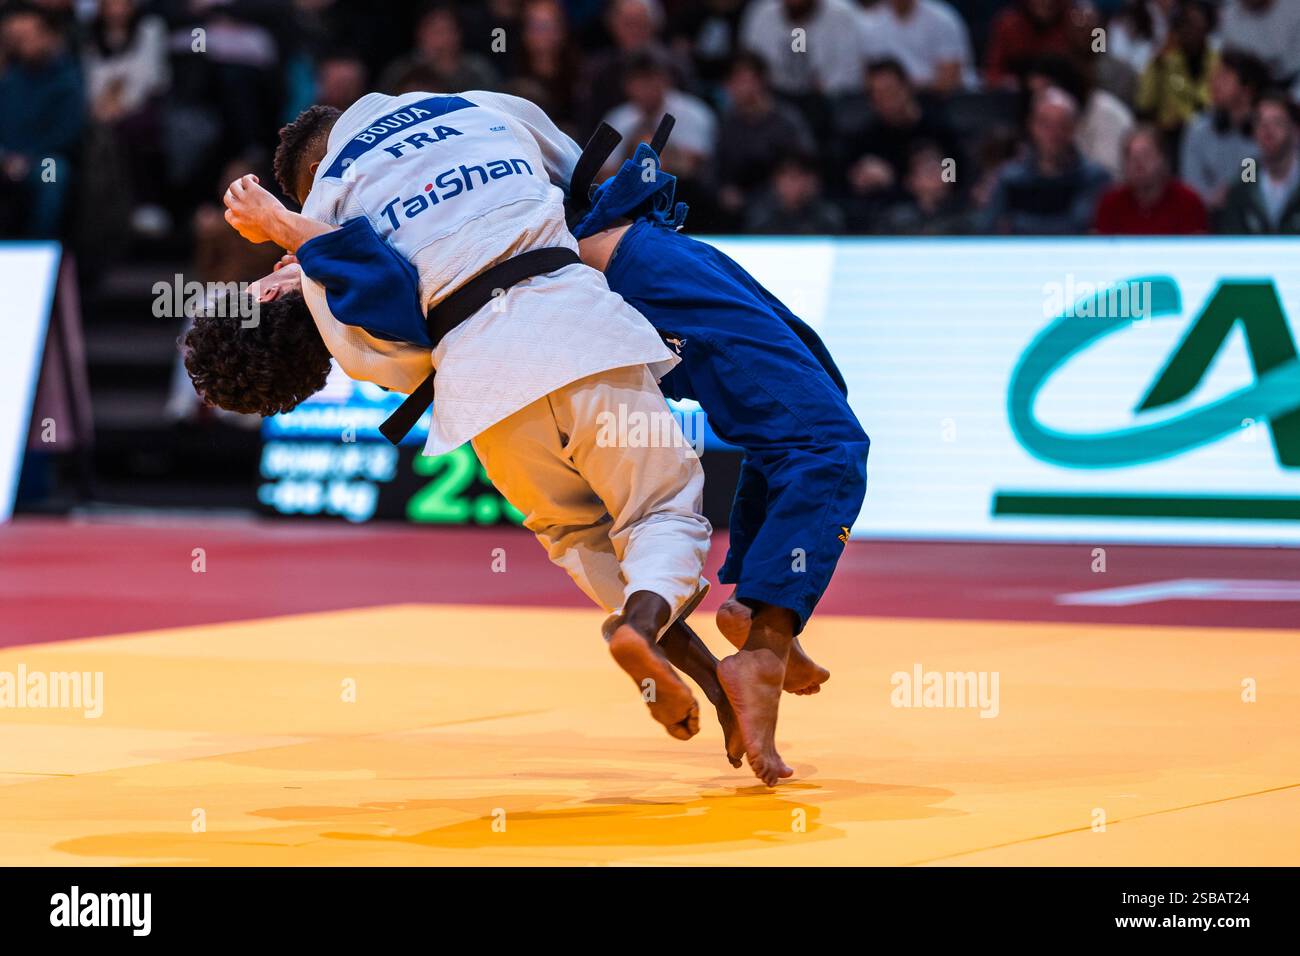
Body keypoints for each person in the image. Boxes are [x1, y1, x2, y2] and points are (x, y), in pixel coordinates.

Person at [205, 92, 726, 768]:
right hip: (574, 324)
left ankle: (698, 670)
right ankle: (644, 627)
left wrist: (304, 246)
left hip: (484, 388)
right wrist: (289, 234)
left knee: (575, 534)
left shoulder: (326, 219)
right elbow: (581, 186)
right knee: (660, 510)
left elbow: (396, 349)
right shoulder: (471, 104)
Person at [978, 85, 1111, 234]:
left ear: (1074, 128)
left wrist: (1016, 223)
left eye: (1062, 125)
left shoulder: (1094, 177)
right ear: (1032, 126)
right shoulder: (1009, 177)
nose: (1053, 133)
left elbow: (1076, 226)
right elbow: (989, 226)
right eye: (1045, 124)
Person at [1179, 48, 1268, 217]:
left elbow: (1257, 180)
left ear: (1247, 88)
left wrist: (1236, 194)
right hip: (1209, 220)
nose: (1214, 82)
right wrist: (1214, 199)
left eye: (1224, 76)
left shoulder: (1266, 129)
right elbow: (1191, 187)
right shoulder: (1198, 130)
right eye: (1215, 75)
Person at [1094, 124, 1208, 234]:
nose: (1138, 163)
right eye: (1130, 156)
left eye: (1146, 155)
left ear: (1163, 159)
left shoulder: (1188, 203)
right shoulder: (1110, 204)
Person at [1220, 91, 1300, 234]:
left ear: (1295, 131)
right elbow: (1232, 240)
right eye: (1260, 122)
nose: (1267, 130)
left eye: (1277, 122)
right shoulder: (1244, 177)